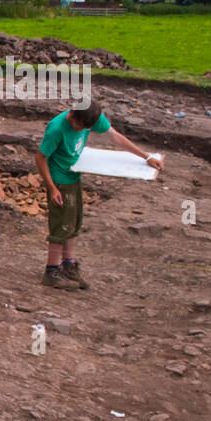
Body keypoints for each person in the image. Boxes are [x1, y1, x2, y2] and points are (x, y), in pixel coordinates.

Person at [35, 101, 163, 289]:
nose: (81, 130)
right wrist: (52, 187)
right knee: (61, 223)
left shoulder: (90, 117)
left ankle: (68, 265)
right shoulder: (56, 129)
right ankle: (51, 271)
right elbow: (40, 157)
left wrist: (146, 156)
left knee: (74, 221)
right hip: (59, 179)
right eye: (79, 126)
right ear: (72, 114)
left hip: (73, 174)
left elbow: (116, 138)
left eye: (85, 128)